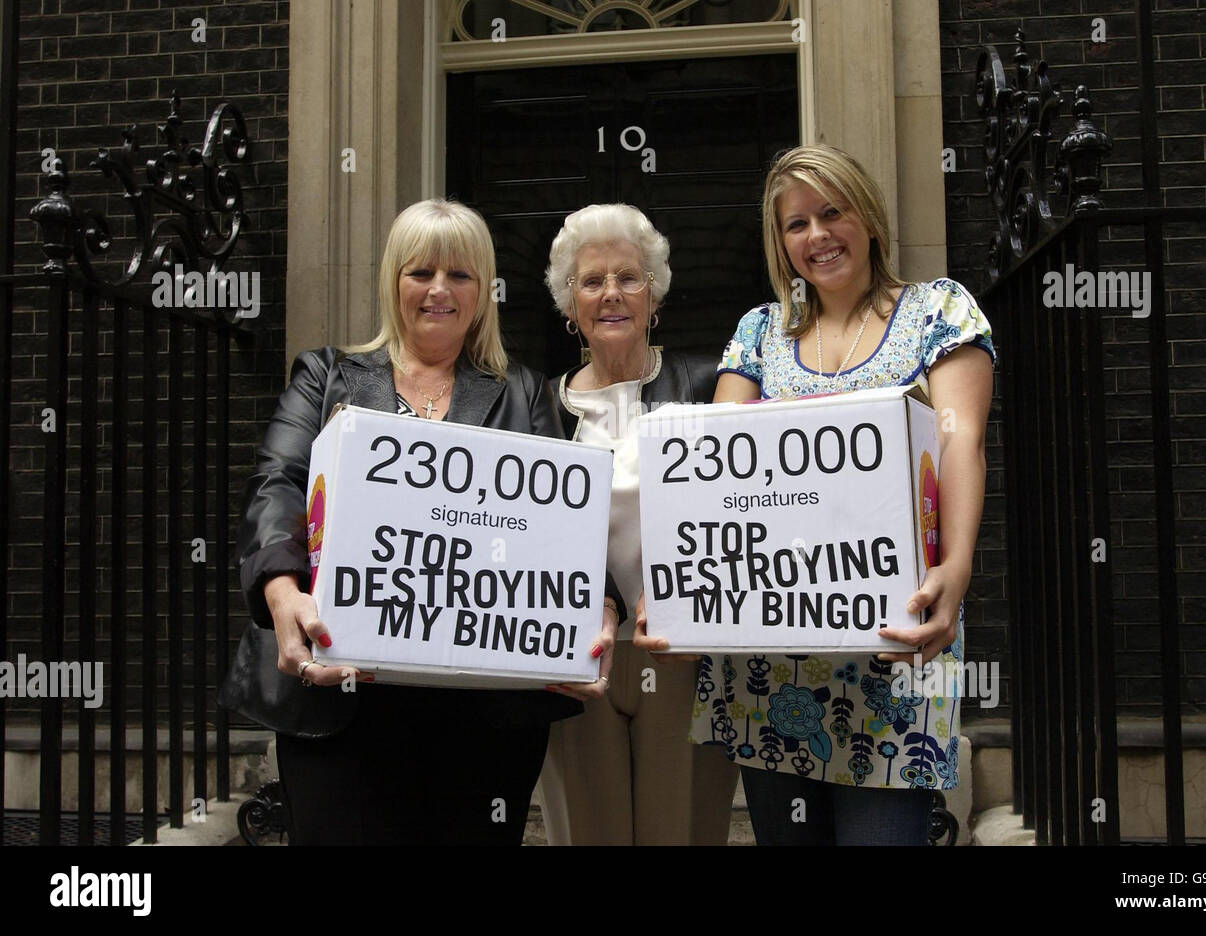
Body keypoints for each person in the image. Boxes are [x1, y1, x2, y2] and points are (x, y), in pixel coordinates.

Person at [225, 199, 623, 845]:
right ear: (394, 282)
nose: (439, 289)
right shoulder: (325, 375)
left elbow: (563, 523)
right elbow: (277, 484)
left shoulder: (524, 393)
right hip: (340, 704)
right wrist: (280, 590)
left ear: (482, 292)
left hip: (482, 720)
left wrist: (597, 606)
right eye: (421, 272)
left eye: (460, 275)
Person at [635, 144, 995, 845]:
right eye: (796, 224)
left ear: (869, 217)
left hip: (897, 649)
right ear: (781, 242)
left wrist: (957, 570)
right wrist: (678, 592)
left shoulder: (939, 313)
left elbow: (960, 444)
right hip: (768, 668)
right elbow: (715, 473)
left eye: (832, 213)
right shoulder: (758, 334)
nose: (818, 236)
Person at [536, 204, 740, 845]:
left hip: (684, 654)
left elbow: (748, 508)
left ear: (655, 294)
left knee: (679, 830)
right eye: (591, 282)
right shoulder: (536, 404)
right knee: (586, 833)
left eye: (629, 277)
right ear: (570, 304)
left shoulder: (711, 387)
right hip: (574, 658)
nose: (611, 294)